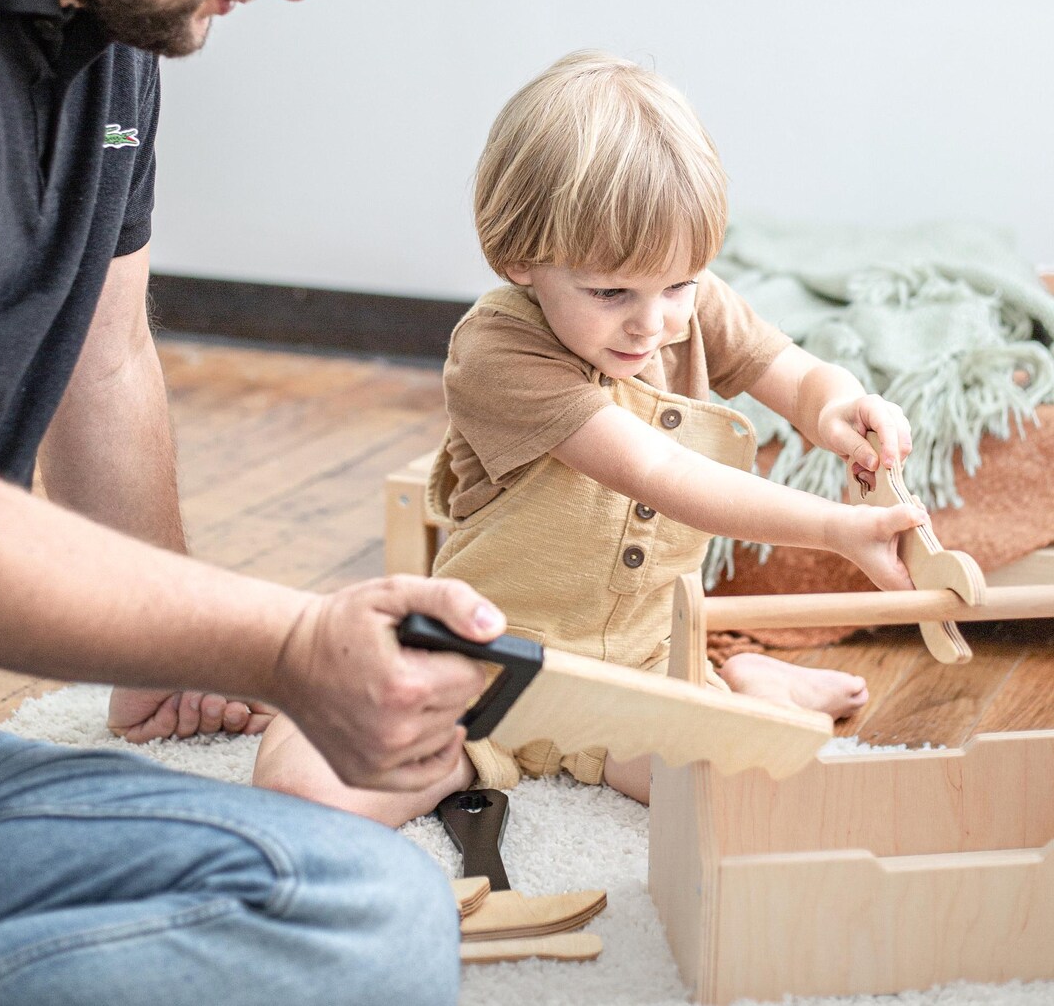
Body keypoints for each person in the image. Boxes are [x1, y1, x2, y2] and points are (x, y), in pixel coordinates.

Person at [0, 0, 497, 1003]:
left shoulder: (111, 39)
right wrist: (283, 642)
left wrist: (168, 654)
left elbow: (105, 356)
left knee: (368, 905)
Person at [253, 50, 927, 823]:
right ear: (521, 259)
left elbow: (796, 373)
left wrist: (839, 404)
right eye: (611, 292)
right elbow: (659, 471)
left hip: (639, 676)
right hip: (486, 670)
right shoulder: (495, 351)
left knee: (758, 802)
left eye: (679, 283)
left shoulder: (689, 302)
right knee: (299, 788)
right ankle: (733, 684)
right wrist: (836, 530)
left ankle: (733, 680)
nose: (654, 321)